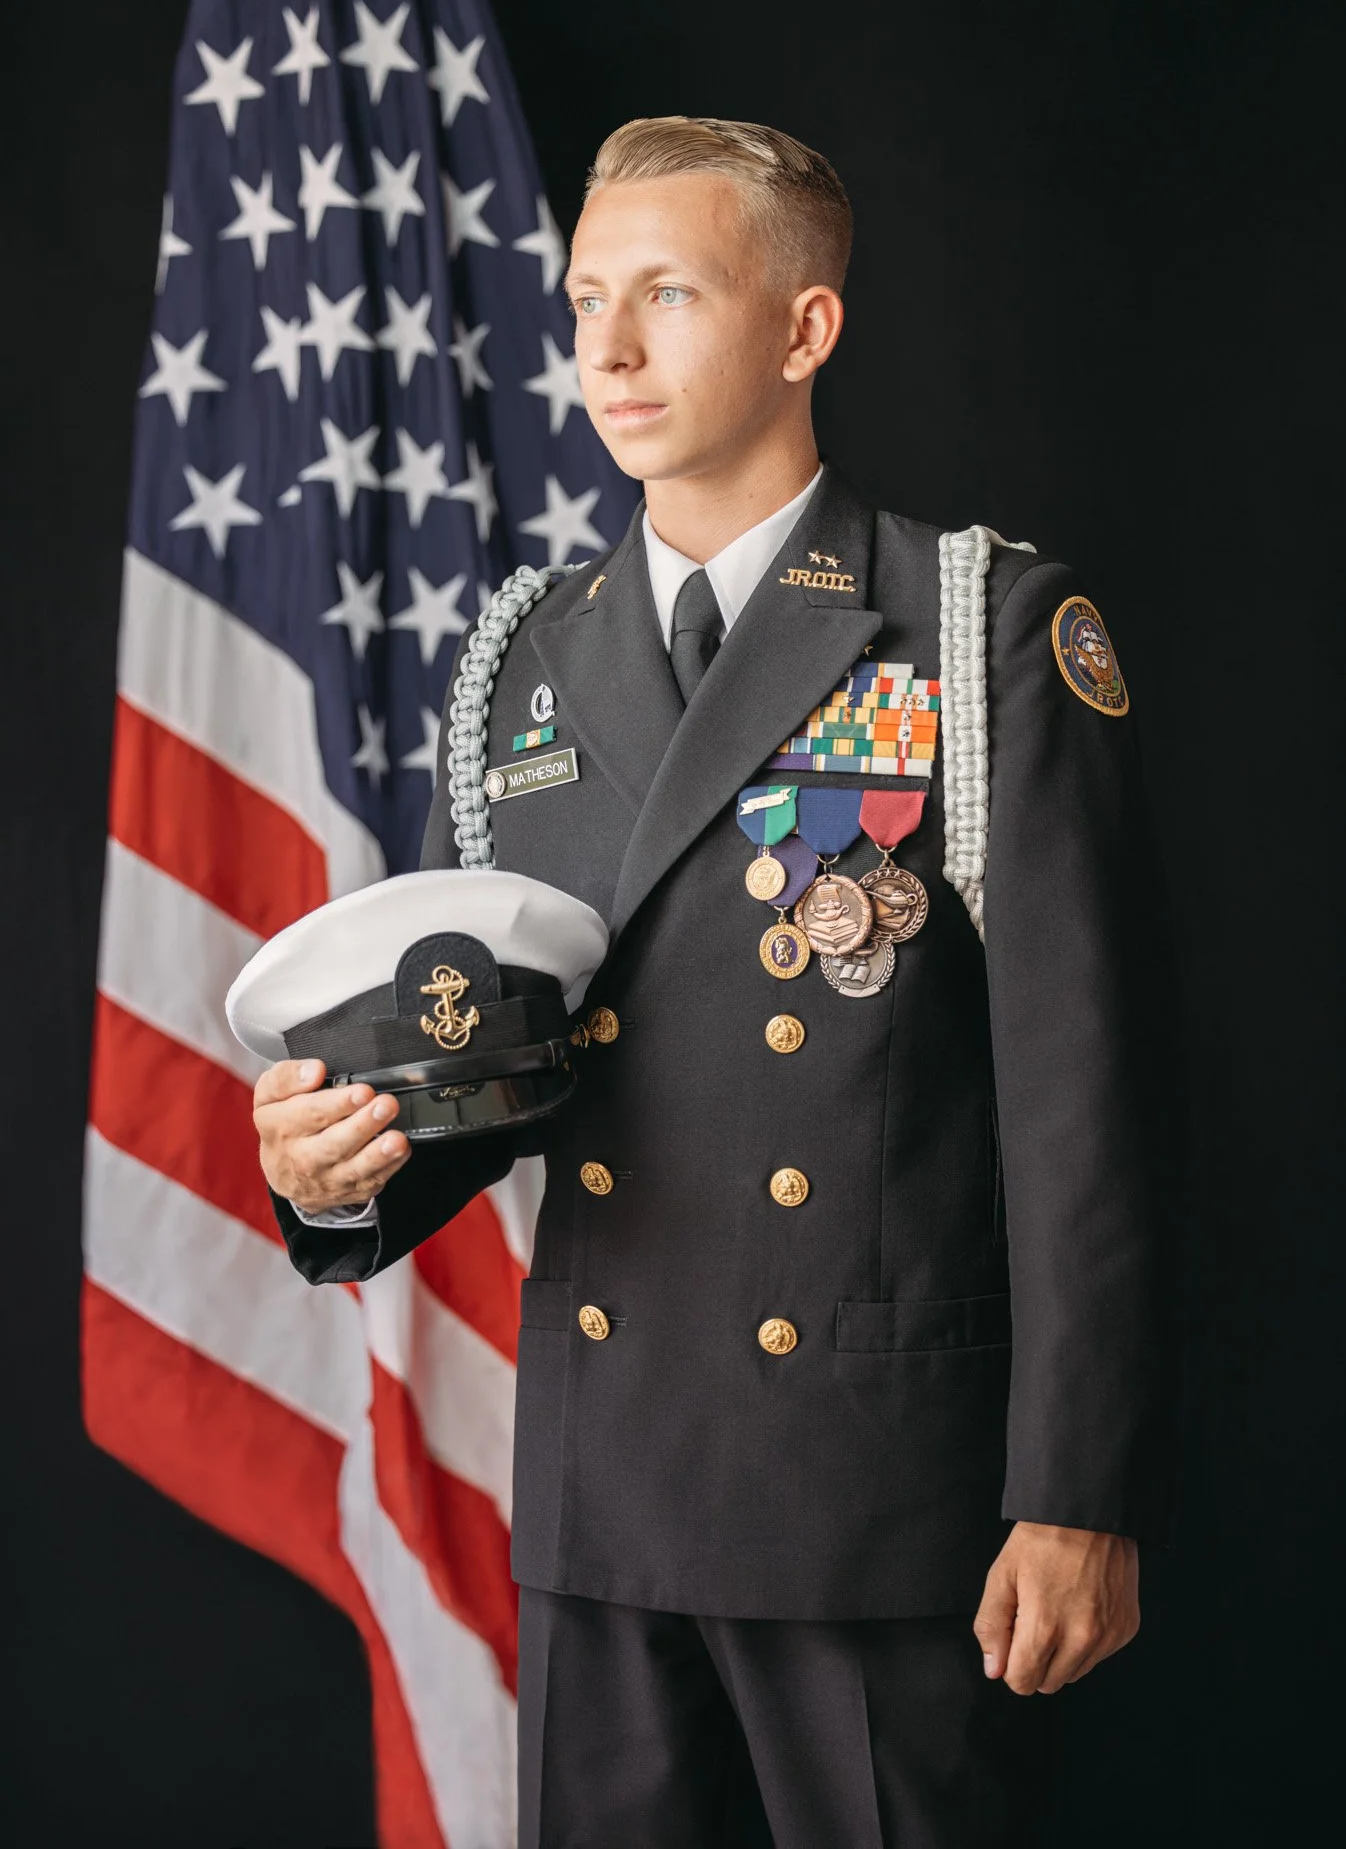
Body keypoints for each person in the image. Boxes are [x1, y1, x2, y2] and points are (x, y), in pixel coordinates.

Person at [253, 117, 1180, 1847]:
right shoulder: (527, 662)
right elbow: (518, 1068)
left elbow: (1088, 1113)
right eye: (586, 297)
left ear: (801, 329)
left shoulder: (973, 629)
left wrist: (1076, 1495)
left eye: (665, 295)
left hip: (878, 1499)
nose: (604, 350)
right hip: (607, 1490)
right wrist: (351, 1164)